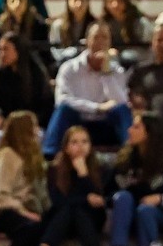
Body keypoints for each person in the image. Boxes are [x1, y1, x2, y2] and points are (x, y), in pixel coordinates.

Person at [45, 23, 132, 156]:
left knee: (122, 110)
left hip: (105, 123)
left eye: (105, 38)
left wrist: (106, 73)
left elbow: (121, 101)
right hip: (78, 122)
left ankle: (131, 154)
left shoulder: (116, 70)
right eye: (96, 37)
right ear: (87, 41)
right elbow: (62, 100)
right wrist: (96, 107)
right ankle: (49, 155)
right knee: (63, 110)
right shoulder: (69, 68)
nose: (100, 42)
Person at [106, 115, 163, 246]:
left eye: (136, 127)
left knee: (145, 210)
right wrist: (116, 198)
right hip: (125, 214)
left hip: (156, 216)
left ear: (149, 132)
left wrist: (160, 198)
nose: (129, 130)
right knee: (123, 197)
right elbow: (108, 192)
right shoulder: (124, 160)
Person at [34, 125, 107, 246]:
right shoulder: (54, 170)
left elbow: (98, 201)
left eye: (84, 142)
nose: (80, 146)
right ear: (66, 148)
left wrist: (84, 174)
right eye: (74, 142)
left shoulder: (101, 168)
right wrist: (85, 199)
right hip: (62, 219)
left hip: (92, 218)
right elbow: (57, 201)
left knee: (77, 210)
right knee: (70, 209)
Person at [0, 110, 48, 246]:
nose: (37, 132)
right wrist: (23, 211)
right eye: (33, 127)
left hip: (27, 209)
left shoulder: (34, 159)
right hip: (5, 211)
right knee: (30, 228)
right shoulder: (8, 155)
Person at [0, 34, 54, 136]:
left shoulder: (36, 75)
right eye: (0, 50)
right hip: (3, 126)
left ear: (18, 50)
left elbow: (46, 104)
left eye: (6, 49)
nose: (2, 54)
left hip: (31, 126)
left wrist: (31, 122)